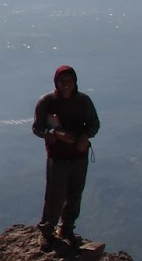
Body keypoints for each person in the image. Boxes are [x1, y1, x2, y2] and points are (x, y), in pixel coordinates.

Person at [32, 64, 99, 248]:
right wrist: (54, 134)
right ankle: (47, 231)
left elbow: (94, 124)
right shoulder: (47, 101)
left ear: (75, 81)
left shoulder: (83, 101)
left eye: (69, 80)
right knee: (55, 195)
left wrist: (85, 136)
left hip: (79, 155)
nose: (66, 84)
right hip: (58, 157)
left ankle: (67, 228)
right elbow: (37, 128)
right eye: (62, 80)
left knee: (75, 194)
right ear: (56, 82)